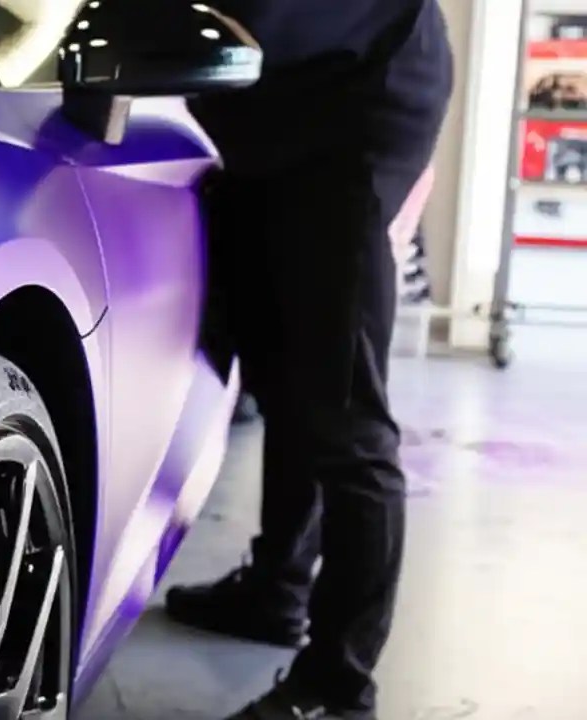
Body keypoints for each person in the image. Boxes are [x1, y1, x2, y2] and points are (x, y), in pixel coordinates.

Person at [165, 1, 454, 718]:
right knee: (280, 366)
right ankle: (277, 591)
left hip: (357, 92)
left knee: (345, 411)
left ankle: (338, 684)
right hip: (278, 94)